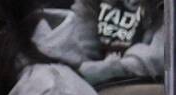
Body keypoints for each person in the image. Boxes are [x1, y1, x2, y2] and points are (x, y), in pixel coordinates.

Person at [36, 0, 165, 86]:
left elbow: (159, 57)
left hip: (145, 84)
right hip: (98, 80)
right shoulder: (90, 3)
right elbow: (82, 48)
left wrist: (108, 69)